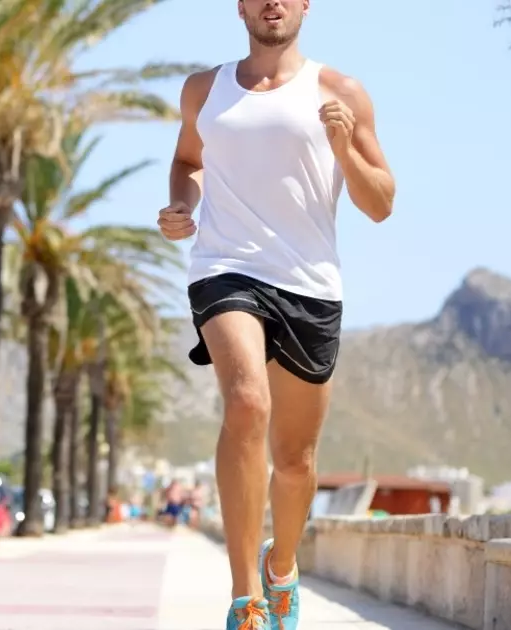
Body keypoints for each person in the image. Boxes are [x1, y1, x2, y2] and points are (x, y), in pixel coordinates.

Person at [157, 2, 395, 628]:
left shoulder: (341, 91)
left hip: (309, 285)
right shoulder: (203, 90)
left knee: (296, 461)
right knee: (247, 403)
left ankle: (280, 566)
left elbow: (381, 203)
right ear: (240, 6)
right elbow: (187, 162)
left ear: (305, 5)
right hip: (224, 268)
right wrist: (181, 205)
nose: (273, 3)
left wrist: (344, 148)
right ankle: (246, 600)